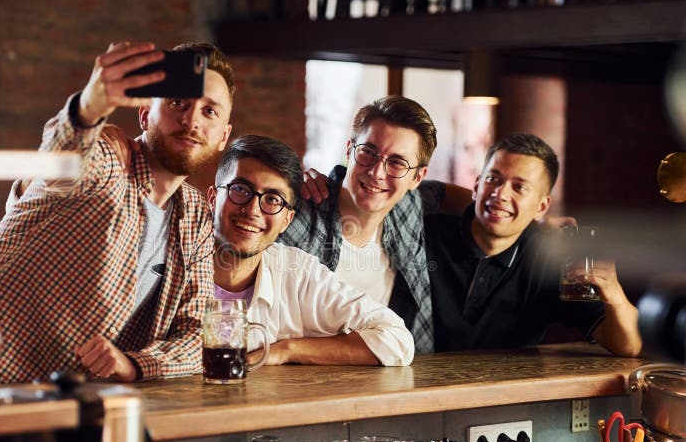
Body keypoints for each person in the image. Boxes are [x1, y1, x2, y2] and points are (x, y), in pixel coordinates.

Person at [0, 41, 234, 383]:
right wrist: (88, 109)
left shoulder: (195, 217)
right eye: (178, 102)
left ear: (223, 137)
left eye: (210, 111)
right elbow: (61, 159)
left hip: (57, 398)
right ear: (145, 114)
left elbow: (197, 333)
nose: (191, 119)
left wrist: (133, 365)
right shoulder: (109, 159)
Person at [424, 133, 642, 356]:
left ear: (541, 207)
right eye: (493, 179)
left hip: (508, 379)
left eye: (519, 187)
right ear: (477, 185)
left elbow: (628, 346)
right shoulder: (425, 235)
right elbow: (414, 194)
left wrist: (613, 292)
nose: (501, 194)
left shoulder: (550, 259)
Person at [281, 95, 463, 355]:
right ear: (349, 150)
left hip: (407, 374)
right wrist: (285, 186)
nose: (377, 172)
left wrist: (517, 213)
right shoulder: (296, 216)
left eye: (397, 162)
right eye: (368, 152)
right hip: (303, 374)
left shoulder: (408, 205)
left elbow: (444, 195)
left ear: (417, 177)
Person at [209, 135, 414, 366]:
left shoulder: (298, 274)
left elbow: (397, 340)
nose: (253, 210)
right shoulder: (178, 262)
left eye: (273, 199)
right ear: (213, 198)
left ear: (287, 220)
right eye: (240, 190)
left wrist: (287, 350)